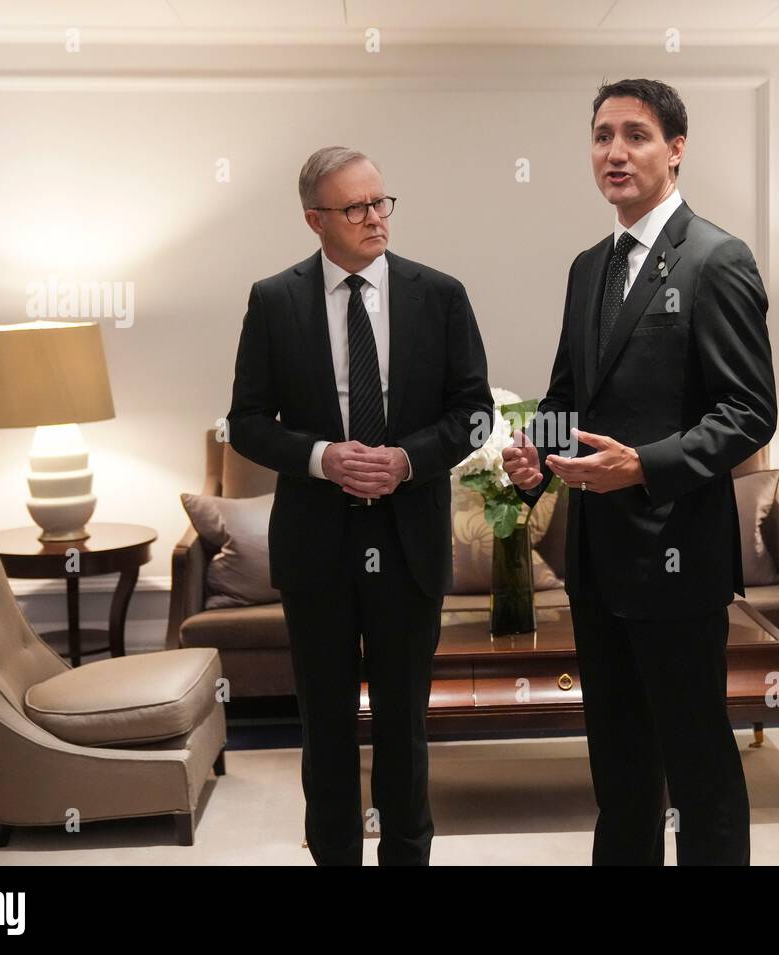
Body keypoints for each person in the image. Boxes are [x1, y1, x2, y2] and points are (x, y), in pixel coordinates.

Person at [503, 79, 778, 865]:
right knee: (619, 769)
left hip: (677, 554)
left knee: (697, 767)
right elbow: (567, 396)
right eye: (601, 136)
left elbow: (749, 412)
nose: (614, 152)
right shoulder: (588, 266)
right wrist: (535, 459)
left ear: (676, 149)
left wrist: (643, 467)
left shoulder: (718, 258)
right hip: (594, 561)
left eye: (636, 135)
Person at [227, 146, 492, 865]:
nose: (376, 218)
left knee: (405, 726)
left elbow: (475, 416)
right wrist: (321, 457)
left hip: (408, 543)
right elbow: (246, 421)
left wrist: (406, 460)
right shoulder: (275, 299)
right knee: (328, 725)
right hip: (317, 546)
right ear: (315, 219)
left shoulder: (440, 294)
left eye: (382, 202)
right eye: (356, 208)